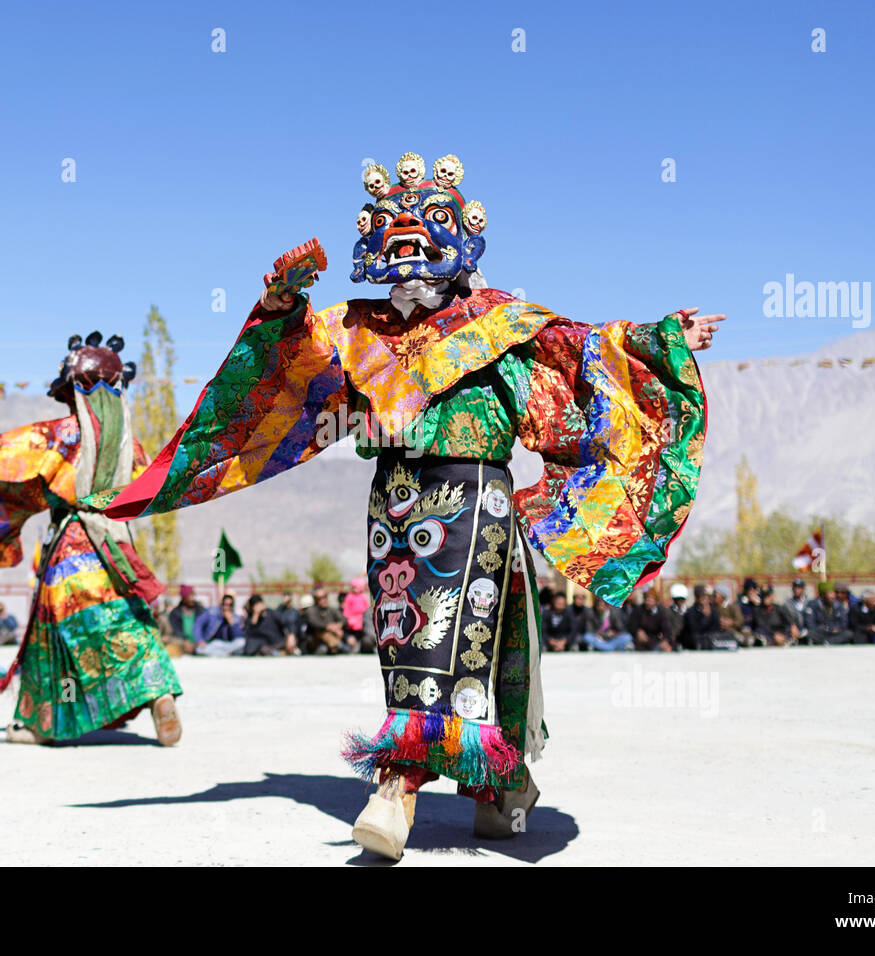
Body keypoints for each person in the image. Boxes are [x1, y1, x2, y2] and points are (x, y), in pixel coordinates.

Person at [96, 152, 721, 860]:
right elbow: (290, 366)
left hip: (473, 497)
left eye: (425, 230)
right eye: (392, 232)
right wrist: (281, 304)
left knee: (447, 643)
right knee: (404, 638)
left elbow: (583, 352)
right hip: (393, 497)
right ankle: (498, 783)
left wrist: (661, 340)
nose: (407, 245)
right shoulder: (356, 328)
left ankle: (398, 788)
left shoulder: (498, 321)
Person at [0, 331, 183, 746]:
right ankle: (158, 693)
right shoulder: (133, 447)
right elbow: (149, 488)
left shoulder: (62, 435)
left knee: (57, 634)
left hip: (74, 548)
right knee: (128, 619)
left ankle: (43, 725)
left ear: (76, 388)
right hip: (116, 547)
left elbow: (0, 455)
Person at [303, 587, 350, 655]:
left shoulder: (331, 609)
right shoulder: (311, 610)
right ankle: (339, 646)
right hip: (315, 642)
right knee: (323, 634)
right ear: (315, 599)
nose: (323, 600)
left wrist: (338, 626)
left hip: (333, 638)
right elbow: (315, 624)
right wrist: (329, 627)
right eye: (319, 598)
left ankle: (336, 646)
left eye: (325, 597)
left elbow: (344, 620)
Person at [166, 585, 203, 656]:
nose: (192, 598)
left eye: (193, 596)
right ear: (183, 597)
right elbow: (175, 630)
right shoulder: (175, 613)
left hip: (198, 644)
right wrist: (185, 641)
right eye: (190, 596)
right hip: (181, 643)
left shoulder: (200, 611)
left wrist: (199, 640)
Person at [684, 585, 721, 651]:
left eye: (707, 597)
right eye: (703, 597)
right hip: (697, 644)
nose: (706, 599)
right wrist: (706, 617)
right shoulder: (691, 612)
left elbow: (717, 628)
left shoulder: (714, 611)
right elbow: (694, 630)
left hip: (712, 642)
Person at [343, 578, 372, 653]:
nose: (354, 589)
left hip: (361, 619)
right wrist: (347, 617)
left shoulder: (363, 597)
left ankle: (359, 646)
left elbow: (367, 608)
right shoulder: (349, 597)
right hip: (352, 620)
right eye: (353, 587)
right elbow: (347, 608)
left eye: (356, 587)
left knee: (362, 634)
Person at [782, 579, 811, 644]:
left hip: (807, 631)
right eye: (795, 587)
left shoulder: (809, 603)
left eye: (799, 588)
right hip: (792, 632)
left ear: (803, 589)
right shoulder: (787, 604)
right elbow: (786, 619)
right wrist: (792, 626)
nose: (796, 590)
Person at [667, 583, 690, 649]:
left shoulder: (689, 612)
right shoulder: (668, 612)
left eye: (682, 599)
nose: (679, 601)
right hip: (673, 642)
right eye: (677, 599)